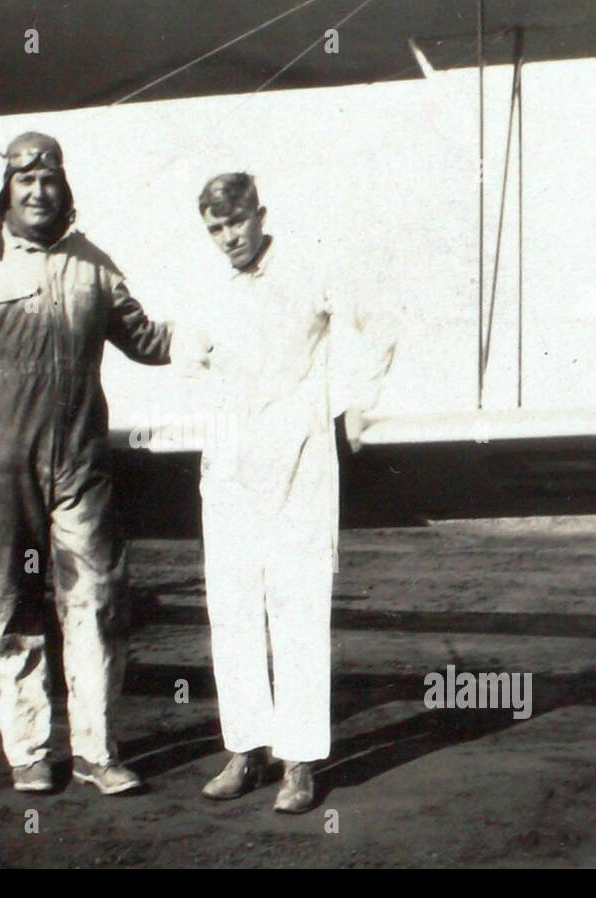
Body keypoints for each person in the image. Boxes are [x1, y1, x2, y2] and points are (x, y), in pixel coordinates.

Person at [0, 132, 172, 795]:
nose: (38, 192)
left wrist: (219, 332)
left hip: (80, 469)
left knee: (95, 602)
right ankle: (30, 752)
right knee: (9, 609)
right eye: (24, 181)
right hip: (0, 470)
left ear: (64, 189)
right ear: (6, 190)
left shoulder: (93, 266)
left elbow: (148, 340)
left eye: (49, 181)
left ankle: (97, 752)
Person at [180, 172, 393, 813]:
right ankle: (246, 749)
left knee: (296, 607)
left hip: (300, 461)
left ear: (260, 213)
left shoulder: (309, 267)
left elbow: (379, 323)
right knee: (232, 606)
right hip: (229, 466)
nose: (228, 237)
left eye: (236, 222)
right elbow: (187, 358)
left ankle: (299, 761)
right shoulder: (207, 288)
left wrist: (358, 405)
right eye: (215, 228)